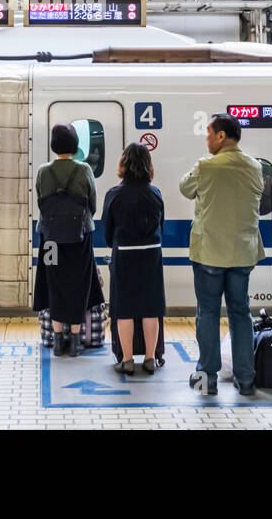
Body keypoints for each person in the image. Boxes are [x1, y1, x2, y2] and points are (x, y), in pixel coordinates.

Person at [179, 113, 265, 397]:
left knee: (208, 312)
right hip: (242, 254)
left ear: (221, 136)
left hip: (210, 255)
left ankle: (208, 378)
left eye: (208, 133)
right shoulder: (254, 167)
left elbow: (185, 188)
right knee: (241, 313)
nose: (206, 138)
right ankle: (246, 379)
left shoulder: (206, 167)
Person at [32, 124, 104, 357]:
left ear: (54, 144)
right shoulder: (84, 170)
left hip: (51, 238)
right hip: (79, 238)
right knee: (78, 284)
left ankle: (57, 339)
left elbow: (41, 203)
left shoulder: (43, 171)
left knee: (54, 283)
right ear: (75, 144)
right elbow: (92, 205)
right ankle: (73, 340)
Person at [102, 143, 165, 375]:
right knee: (151, 308)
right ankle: (150, 358)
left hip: (124, 256)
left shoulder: (114, 194)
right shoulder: (155, 193)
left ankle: (127, 359)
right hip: (151, 255)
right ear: (148, 165)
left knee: (124, 309)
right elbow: (162, 226)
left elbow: (107, 233)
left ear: (123, 164)